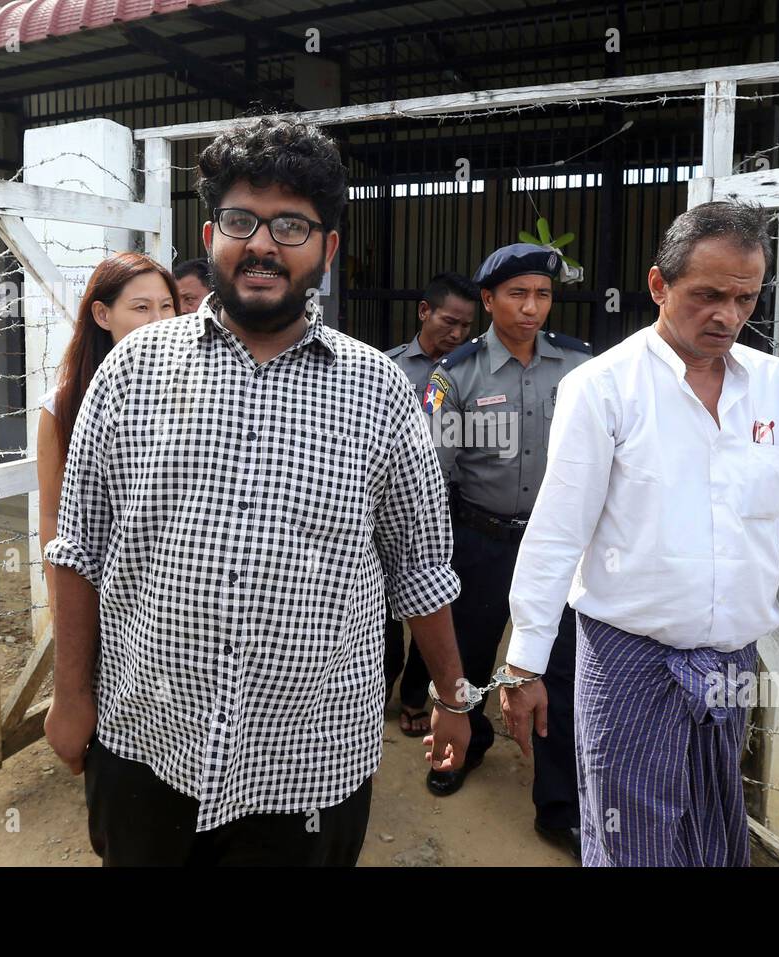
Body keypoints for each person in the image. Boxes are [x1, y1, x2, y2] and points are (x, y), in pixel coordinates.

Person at [42, 117, 471, 866]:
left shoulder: (378, 390)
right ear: (212, 236)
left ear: (328, 249)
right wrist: (72, 693)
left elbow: (419, 567)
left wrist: (451, 693)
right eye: (242, 220)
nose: (264, 243)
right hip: (147, 742)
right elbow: (79, 548)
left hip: (309, 765)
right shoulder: (131, 372)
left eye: (292, 225)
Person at [504, 201, 779, 866]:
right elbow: (558, 530)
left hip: (731, 665)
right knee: (630, 842)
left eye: (744, 297)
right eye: (706, 296)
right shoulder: (603, 388)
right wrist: (524, 660)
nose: (726, 316)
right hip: (624, 662)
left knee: (709, 834)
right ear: (658, 286)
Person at [423, 242, 590, 860]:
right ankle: (463, 744)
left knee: (559, 667)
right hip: (481, 539)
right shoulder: (456, 375)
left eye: (542, 295)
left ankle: (559, 802)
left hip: (558, 549)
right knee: (466, 653)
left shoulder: (578, 366)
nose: (532, 307)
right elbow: (434, 475)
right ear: (488, 300)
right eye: (517, 294)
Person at [36, 252, 179, 601]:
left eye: (167, 306)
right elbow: (53, 515)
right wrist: (59, 602)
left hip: (177, 596)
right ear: (103, 314)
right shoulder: (63, 405)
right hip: (103, 587)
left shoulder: (200, 393)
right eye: (141, 308)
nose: (158, 321)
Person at [383, 271, 477, 737]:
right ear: (424, 312)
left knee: (434, 597)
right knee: (382, 605)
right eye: (449, 321)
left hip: (451, 504)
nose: (457, 333)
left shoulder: (472, 371)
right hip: (388, 506)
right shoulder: (386, 368)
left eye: (466, 325)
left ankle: (418, 695)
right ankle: (379, 683)